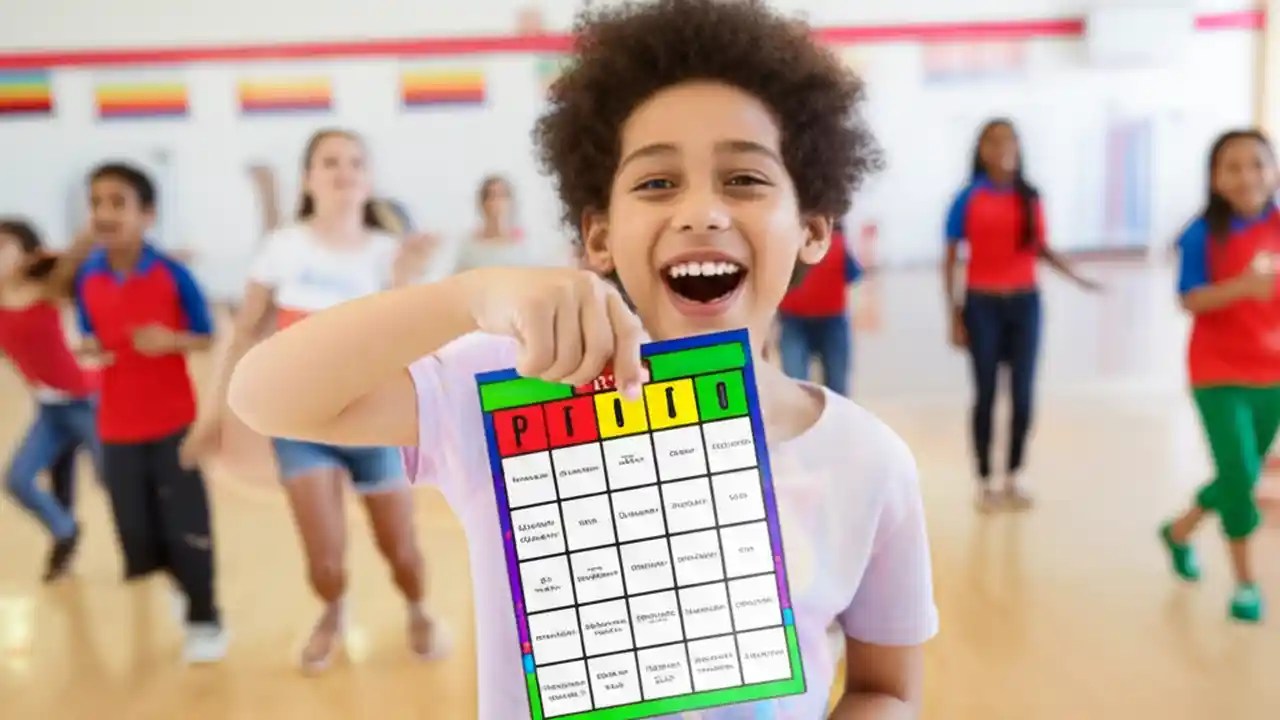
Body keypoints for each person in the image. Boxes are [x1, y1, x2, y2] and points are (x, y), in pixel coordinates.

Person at [227, 1, 938, 718]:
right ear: (597, 235)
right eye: (657, 183)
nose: (701, 212)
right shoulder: (512, 384)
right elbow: (266, 396)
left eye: (744, 180)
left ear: (813, 229)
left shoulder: (868, 461)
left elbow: (885, 688)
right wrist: (468, 296)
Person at [180, 128, 442, 674]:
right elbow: (242, 333)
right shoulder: (283, 247)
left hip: (374, 426)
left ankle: (418, 607)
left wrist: (403, 282)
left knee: (402, 554)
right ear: (309, 177)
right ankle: (333, 612)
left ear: (368, 179)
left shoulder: (389, 255)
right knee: (323, 560)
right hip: (299, 425)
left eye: (354, 161)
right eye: (329, 161)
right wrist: (211, 419)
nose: (343, 170)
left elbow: (409, 346)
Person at [72, 162, 227, 663]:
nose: (104, 213)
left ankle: (206, 617)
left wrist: (173, 340)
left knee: (187, 523)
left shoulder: (173, 274)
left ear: (148, 214)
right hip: (115, 426)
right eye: (97, 203)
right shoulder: (87, 278)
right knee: (135, 533)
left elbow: (209, 335)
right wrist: (91, 348)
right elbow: (89, 333)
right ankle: (178, 581)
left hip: (173, 424)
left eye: (118, 202)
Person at [942, 118, 1100, 513]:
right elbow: (950, 259)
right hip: (982, 305)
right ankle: (984, 480)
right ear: (980, 150)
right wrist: (955, 314)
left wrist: (1077, 277)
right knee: (987, 394)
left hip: (1025, 305)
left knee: (1024, 395)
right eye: (992, 142)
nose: (1001, 149)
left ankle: (1013, 474)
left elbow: (1040, 248)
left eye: (1009, 141)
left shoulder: (1030, 196)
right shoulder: (967, 198)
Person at [1159, 129, 1280, 625]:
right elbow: (1190, 299)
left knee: (1244, 474)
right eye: (1232, 166)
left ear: (1272, 170)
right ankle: (1246, 584)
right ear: (1214, 177)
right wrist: (1244, 288)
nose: (1247, 175)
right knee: (1238, 475)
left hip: (1271, 373)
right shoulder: (1201, 235)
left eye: (1257, 164)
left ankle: (1180, 530)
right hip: (1218, 373)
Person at [0, 219, 100, 581]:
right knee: (17, 479)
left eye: (4, 246)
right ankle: (65, 531)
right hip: (49, 412)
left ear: (28, 256)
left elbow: (73, 259)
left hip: (88, 403)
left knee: (114, 480)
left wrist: (90, 229)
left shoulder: (46, 290)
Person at [776, 220, 863, 396]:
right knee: (796, 386)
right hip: (795, 321)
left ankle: (837, 422)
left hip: (831, 321)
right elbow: (854, 275)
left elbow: (853, 274)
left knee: (835, 387)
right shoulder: (785, 244)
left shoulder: (838, 244)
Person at [452, 175, 532, 271]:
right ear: (482, 204)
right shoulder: (469, 246)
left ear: (511, 202)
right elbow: (458, 279)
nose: (496, 202)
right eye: (491, 196)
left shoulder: (524, 245)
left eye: (502, 195)